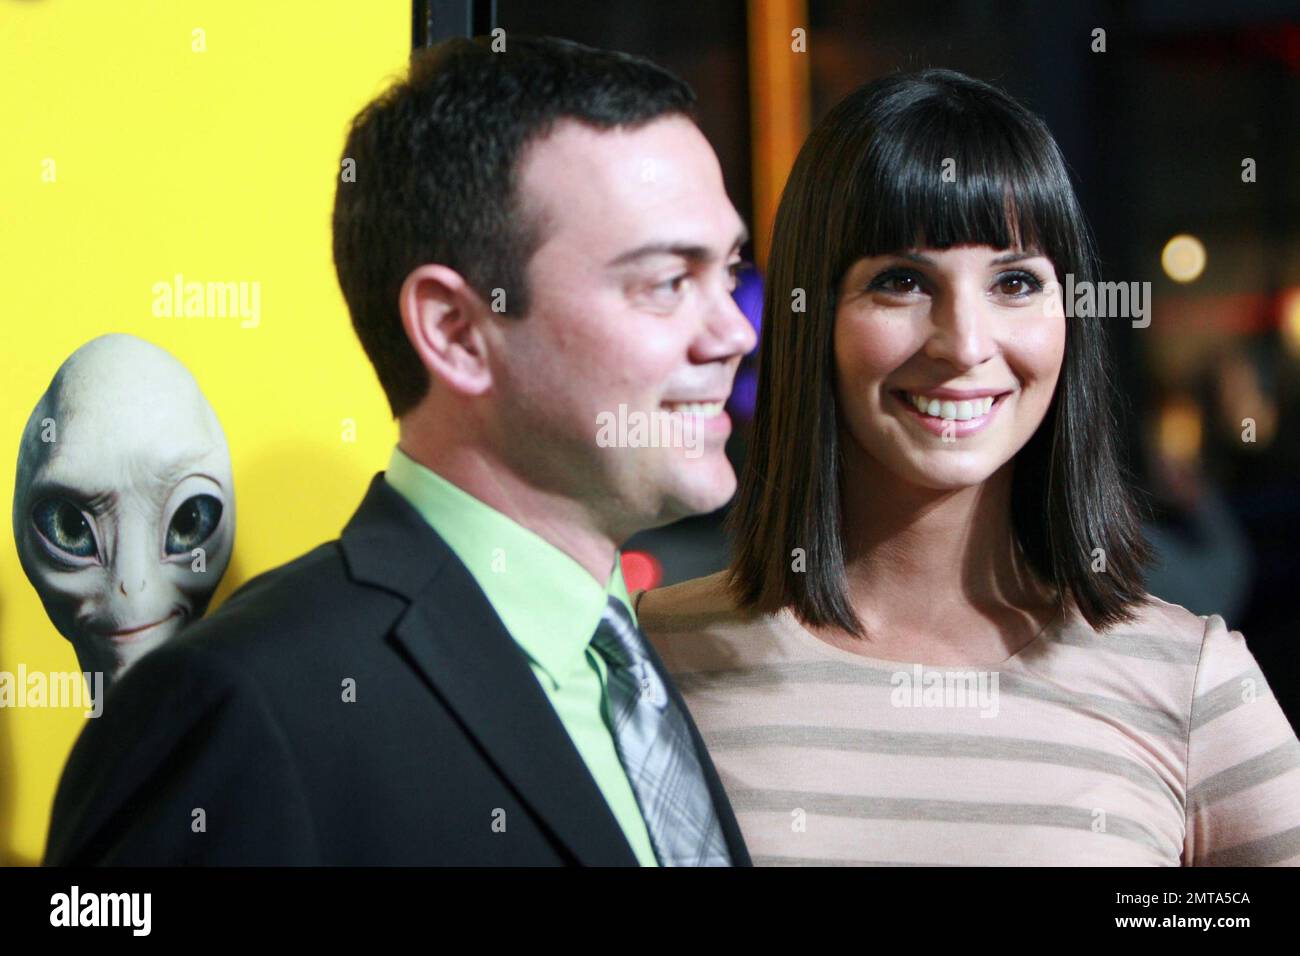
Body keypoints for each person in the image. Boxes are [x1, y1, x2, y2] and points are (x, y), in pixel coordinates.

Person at [44, 35, 756, 866]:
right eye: (669, 281)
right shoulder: (240, 705)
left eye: (729, 270)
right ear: (456, 331)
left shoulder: (632, 667)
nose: (735, 332)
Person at [637, 69, 1300, 866]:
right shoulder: (651, 667)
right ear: (813, 320)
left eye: (1015, 282)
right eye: (901, 282)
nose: (964, 343)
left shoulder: (1193, 686)